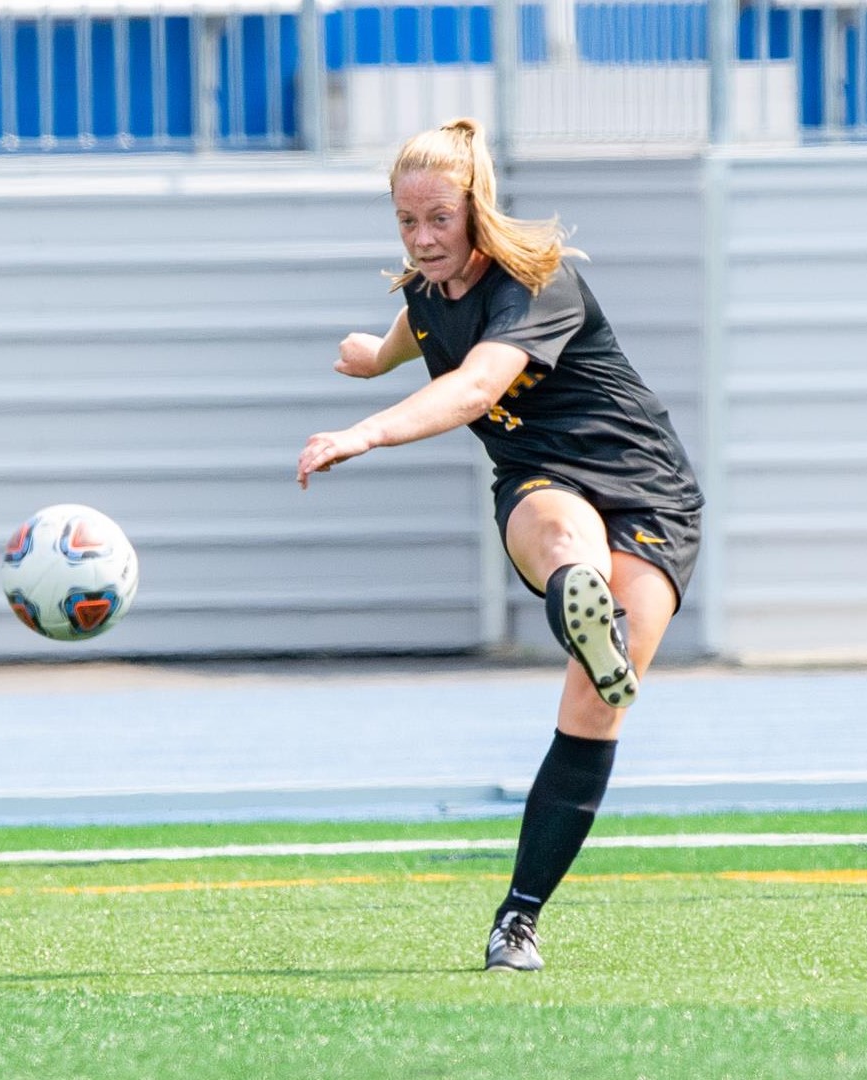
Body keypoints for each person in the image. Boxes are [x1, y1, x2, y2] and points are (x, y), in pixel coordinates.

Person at [295, 118, 703, 972]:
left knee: (596, 704)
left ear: (476, 207)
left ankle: (520, 910)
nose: (422, 238)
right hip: (538, 476)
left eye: (438, 219)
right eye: (407, 222)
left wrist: (365, 430)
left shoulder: (536, 281)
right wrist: (373, 358)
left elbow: (477, 382)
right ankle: (586, 602)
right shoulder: (424, 285)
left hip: (644, 482)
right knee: (559, 533)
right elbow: (417, 331)